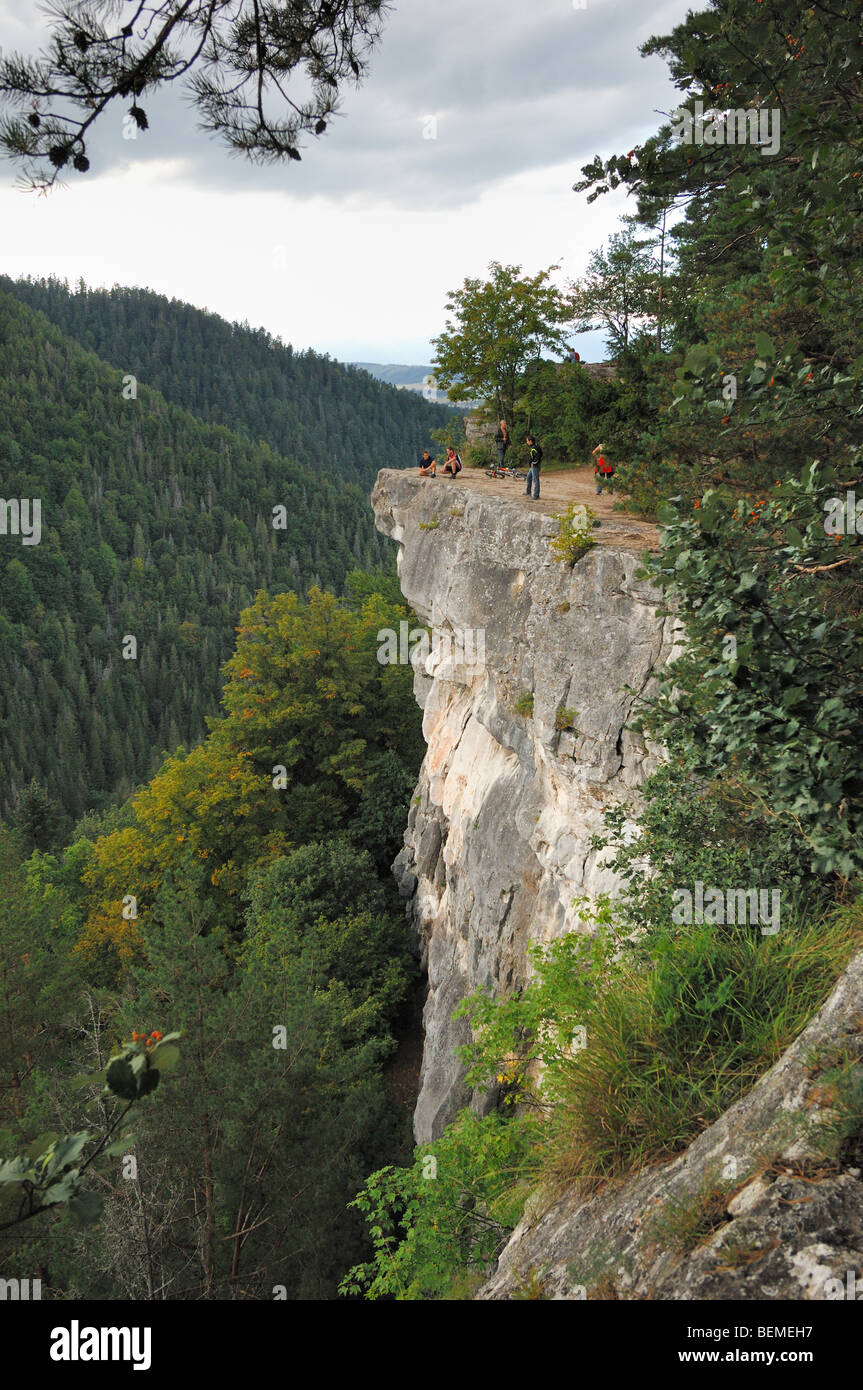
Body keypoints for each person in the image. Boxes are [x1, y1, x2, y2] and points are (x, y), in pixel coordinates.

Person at [524, 435, 543, 500]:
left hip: (535, 466)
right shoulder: (535, 446)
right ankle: (528, 491)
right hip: (533, 466)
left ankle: (536, 495)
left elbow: (538, 456)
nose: (527, 442)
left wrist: (533, 463)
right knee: (528, 477)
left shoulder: (535, 448)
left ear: (530, 441)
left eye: (527, 441)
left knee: (535, 480)